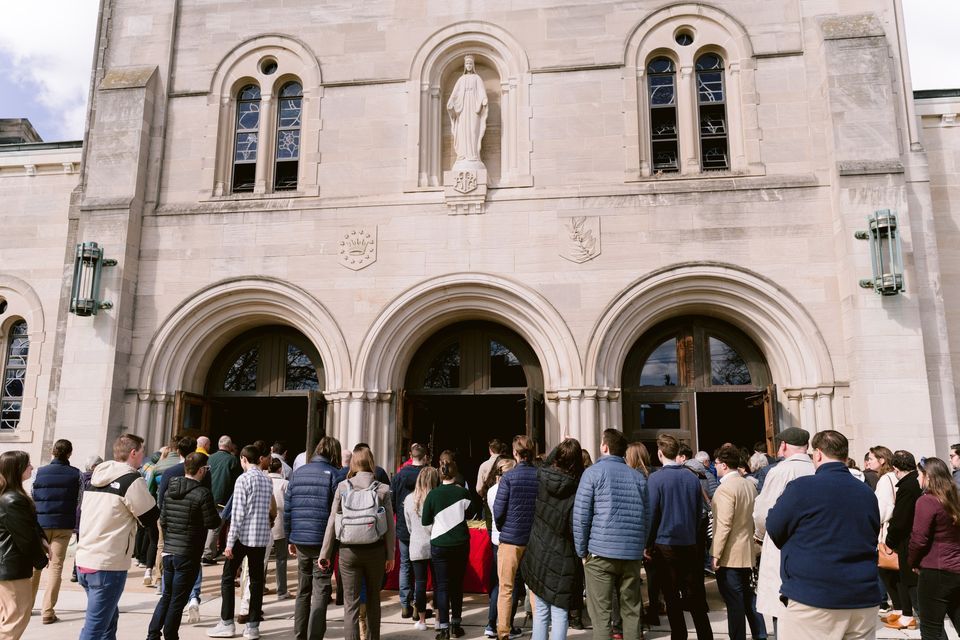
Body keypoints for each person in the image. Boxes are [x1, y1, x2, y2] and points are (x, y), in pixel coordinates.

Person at [766, 430, 881, 640]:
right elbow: (872, 533)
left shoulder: (803, 487)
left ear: (817, 454)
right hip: (862, 596)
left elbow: (774, 528)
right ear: (845, 456)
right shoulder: (866, 492)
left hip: (816, 596)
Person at [76, 433, 160, 640]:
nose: (143, 456)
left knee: (107, 622)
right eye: (142, 452)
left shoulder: (94, 478)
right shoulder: (131, 479)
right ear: (133, 453)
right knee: (94, 629)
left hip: (85, 559)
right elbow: (150, 515)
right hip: (108, 564)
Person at [573, 429, 647, 640]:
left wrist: (582, 551)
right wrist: (641, 544)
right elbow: (646, 516)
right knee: (631, 610)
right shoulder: (638, 477)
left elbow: (581, 516)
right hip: (630, 553)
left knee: (601, 614)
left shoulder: (593, 473)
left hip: (600, 551)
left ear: (605, 447)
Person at [321, 446, 396, 640]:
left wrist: (325, 553)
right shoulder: (382, 489)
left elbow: (332, 520)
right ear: (371, 462)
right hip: (376, 551)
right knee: (373, 601)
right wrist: (391, 555)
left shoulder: (343, 487)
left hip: (348, 552)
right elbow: (389, 527)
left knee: (351, 605)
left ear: (353, 463)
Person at [644, 433, 711, 640]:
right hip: (689, 542)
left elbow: (652, 514)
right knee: (694, 596)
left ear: (660, 453)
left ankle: (679, 635)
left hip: (666, 544)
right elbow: (699, 511)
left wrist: (647, 544)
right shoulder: (692, 478)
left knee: (672, 596)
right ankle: (705, 635)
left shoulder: (656, 479)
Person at [149, 452, 221, 640]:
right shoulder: (202, 493)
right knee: (177, 600)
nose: (206, 472)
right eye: (206, 468)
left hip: (169, 550)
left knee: (167, 595)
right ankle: (170, 635)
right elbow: (213, 522)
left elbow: (163, 520)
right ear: (200, 470)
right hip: (187, 552)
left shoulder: (170, 490)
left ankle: (153, 633)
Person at [208, 444, 277, 640]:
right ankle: (253, 626)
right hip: (260, 536)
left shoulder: (243, 479)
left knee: (228, 578)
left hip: (243, 536)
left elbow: (237, 514)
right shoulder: (266, 479)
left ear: (244, 460)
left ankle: (227, 622)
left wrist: (229, 543)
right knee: (255, 581)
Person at [521, 438, 585, 640]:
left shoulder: (542, 475)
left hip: (539, 548)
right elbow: (575, 528)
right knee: (559, 612)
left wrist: (561, 444)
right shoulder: (577, 488)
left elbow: (547, 462)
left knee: (540, 611)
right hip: (563, 555)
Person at [752, 427, 814, 629]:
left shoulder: (781, 471)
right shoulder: (816, 467)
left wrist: (759, 535)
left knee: (783, 606)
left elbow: (763, 511)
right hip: (813, 544)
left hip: (783, 542)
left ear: (784, 445)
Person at [286, 436, 340, 640]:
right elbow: (337, 513)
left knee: (303, 589)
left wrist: (290, 536)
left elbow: (288, 509)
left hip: (300, 538)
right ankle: (314, 636)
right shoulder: (334, 475)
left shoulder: (298, 473)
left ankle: (300, 634)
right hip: (322, 541)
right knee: (320, 589)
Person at [710, 446, 766, 640]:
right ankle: (760, 634)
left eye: (716, 463)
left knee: (734, 603)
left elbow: (723, 524)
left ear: (724, 465)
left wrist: (715, 553)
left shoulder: (725, 489)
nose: (714, 467)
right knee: (748, 597)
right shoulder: (748, 485)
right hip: (747, 549)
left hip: (730, 553)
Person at [29, 438, 82, 625]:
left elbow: (31, 497)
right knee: (56, 567)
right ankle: (48, 611)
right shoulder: (77, 474)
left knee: (36, 566)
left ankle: (28, 607)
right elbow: (79, 500)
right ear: (69, 453)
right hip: (63, 524)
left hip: (40, 524)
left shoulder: (38, 472)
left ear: (53, 452)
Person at [908, 456, 960, 638]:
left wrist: (912, 561)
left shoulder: (927, 501)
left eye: (919, 474)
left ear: (928, 476)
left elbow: (918, 539)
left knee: (931, 628)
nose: (917, 478)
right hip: (956, 569)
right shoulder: (954, 499)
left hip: (936, 569)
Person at [422, 451, 472, 640]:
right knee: (457, 585)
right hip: (460, 543)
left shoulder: (433, 495)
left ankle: (443, 628)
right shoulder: (463, 492)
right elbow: (471, 513)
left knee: (441, 587)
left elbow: (425, 522)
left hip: (439, 544)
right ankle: (456, 625)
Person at [494, 435, 539, 640]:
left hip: (511, 539)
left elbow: (498, 510)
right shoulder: (540, 475)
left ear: (515, 453)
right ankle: (539, 630)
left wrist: (504, 528)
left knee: (506, 587)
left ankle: (503, 631)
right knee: (535, 588)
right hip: (533, 539)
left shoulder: (509, 478)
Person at [0, 451, 49, 639]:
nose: (32, 467)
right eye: (28, 464)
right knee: (16, 618)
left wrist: (42, 539)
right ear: (17, 468)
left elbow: (29, 525)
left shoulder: (11, 495)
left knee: (8, 617)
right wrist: (40, 560)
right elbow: (25, 536)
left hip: (9, 566)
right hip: (12, 567)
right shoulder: (12, 498)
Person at [883, 450, 922, 630]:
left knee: (910, 582)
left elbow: (900, 520)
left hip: (907, 540)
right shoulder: (915, 483)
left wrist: (889, 540)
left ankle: (917, 617)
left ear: (896, 468)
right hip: (914, 538)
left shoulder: (907, 487)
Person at [483, 457, 520, 638]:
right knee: (510, 585)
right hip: (508, 538)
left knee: (500, 584)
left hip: (496, 539)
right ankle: (508, 624)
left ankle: (491, 623)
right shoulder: (508, 489)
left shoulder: (491, 490)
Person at [391, 443, 428, 618]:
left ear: (410, 456)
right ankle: (417, 606)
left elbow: (392, 502)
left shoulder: (399, 476)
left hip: (404, 528)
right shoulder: (429, 475)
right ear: (425, 456)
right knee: (421, 569)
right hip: (424, 527)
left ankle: (405, 604)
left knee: (405, 565)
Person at [868, 445, 903, 621]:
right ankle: (902, 610)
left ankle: (901, 611)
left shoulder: (885, 480)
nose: (868, 462)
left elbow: (882, 509)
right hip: (898, 529)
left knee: (888, 572)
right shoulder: (894, 477)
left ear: (882, 460)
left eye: (871, 458)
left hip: (888, 532)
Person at [405, 465, 440, 630]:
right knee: (439, 584)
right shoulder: (436, 498)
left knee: (419, 583)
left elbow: (409, 526)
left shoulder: (409, 499)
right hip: (435, 543)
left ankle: (422, 620)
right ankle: (439, 619)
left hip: (417, 544)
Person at [205, 435, 242, 564]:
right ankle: (208, 554)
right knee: (216, 527)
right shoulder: (232, 460)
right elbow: (237, 480)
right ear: (230, 446)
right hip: (223, 498)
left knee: (207, 525)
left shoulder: (210, 458)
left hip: (208, 495)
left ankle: (206, 551)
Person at [446, 54, 488, 164]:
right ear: (465, 66)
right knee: (463, 130)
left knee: (473, 130)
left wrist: (484, 99)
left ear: (473, 65)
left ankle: (473, 154)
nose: (469, 65)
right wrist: (450, 102)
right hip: (463, 108)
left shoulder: (477, 78)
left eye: (470, 63)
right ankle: (463, 154)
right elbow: (454, 94)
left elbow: (481, 91)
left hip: (474, 107)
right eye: (467, 64)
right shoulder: (461, 79)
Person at [267, 457, 290, 600]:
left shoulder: (264, 481)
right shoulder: (285, 484)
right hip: (281, 522)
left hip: (266, 523)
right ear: (280, 469)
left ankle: (261, 585)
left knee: (263, 558)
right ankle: (281, 590)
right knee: (281, 559)